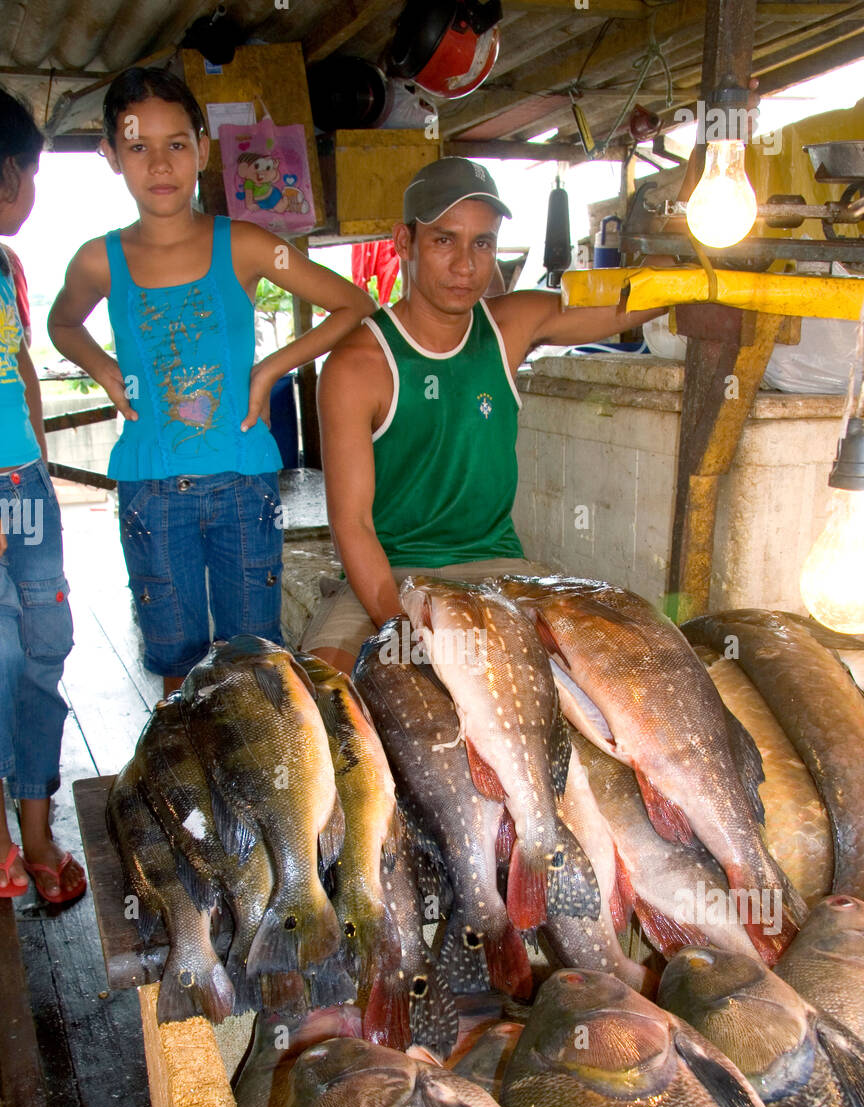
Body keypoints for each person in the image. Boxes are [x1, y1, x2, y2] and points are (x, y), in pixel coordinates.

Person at [49, 66, 373, 698]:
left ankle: (261, 786)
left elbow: (352, 303)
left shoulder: (248, 244)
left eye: (176, 144)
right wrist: (105, 368)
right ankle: (187, 778)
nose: (160, 163)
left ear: (202, 148)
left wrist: (271, 368)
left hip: (245, 482)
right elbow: (63, 321)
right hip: (150, 487)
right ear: (111, 155)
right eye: (138, 146)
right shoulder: (98, 259)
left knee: (255, 658)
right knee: (176, 661)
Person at [304, 157, 665, 675]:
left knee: (611, 669)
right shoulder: (356, 366)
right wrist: (405, 632)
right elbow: (353, 525)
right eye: (444, 240)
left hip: (499, 569)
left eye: (482, 243)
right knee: (324, 697)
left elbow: (624, 305)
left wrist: (701, 278)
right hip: (387, 578)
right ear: (404, 242)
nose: (466, 265)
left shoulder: (508, 326)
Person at [0, 87, 86, 903]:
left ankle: (35, 820)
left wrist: (41, 464)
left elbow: (20, 362)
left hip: (22, 487)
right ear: (12, 175)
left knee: (46, 647)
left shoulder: (8, 267)